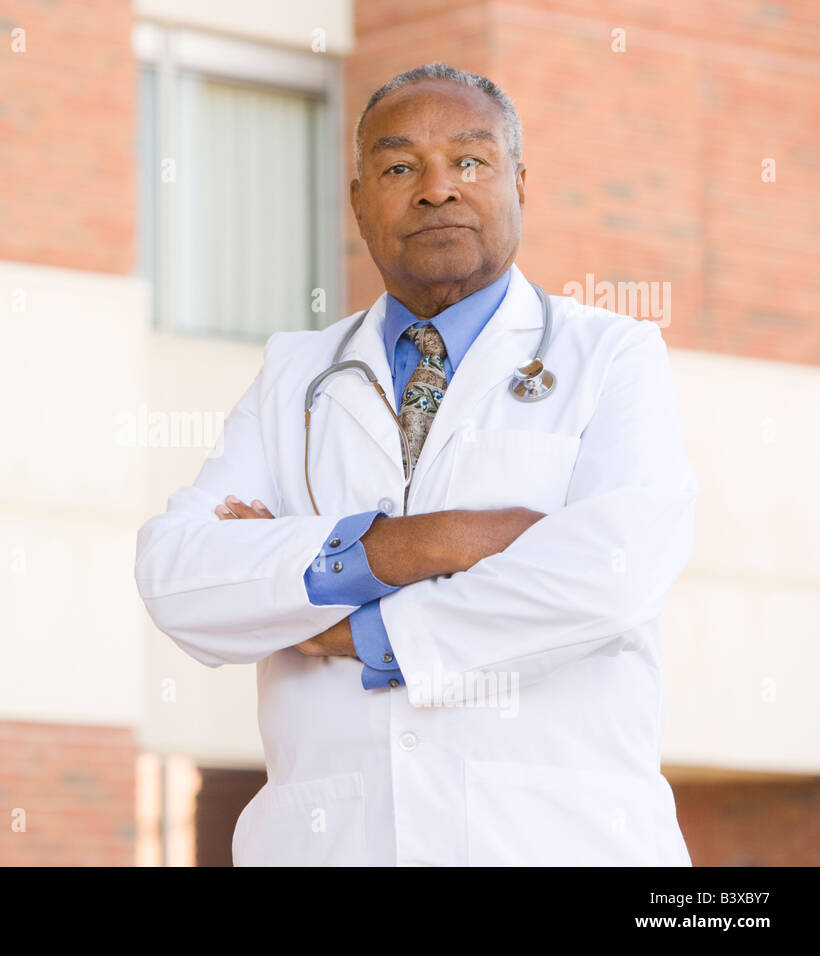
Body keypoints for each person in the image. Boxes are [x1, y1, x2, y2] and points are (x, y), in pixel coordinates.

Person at [133, 63, 697, 866]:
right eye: (400, 167)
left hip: (553, 841)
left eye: (470, 161)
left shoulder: (610, 354)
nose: (438, 188)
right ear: (358, 199)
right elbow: (179, 575)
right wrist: (434, 543)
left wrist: (338, 627)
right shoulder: (296, 373)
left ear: (520, 184)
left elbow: (610, 574)